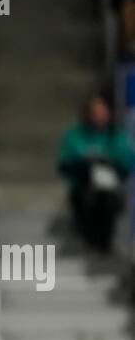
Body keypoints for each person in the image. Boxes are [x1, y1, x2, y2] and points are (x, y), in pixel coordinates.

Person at [56, 94, 133, 253]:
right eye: (95, 112)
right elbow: (65, 162)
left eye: (103, 112)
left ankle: (104, 243)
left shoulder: (115, 135)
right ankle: (88, 238)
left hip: (110, 190)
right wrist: (85, 160)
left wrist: (109, 160)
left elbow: (127, 161)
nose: (99, 116)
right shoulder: (76, 134)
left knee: (106, 200)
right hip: (83, 188)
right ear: (87, 114)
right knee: (89, 201)